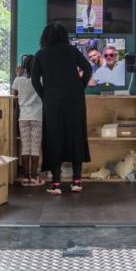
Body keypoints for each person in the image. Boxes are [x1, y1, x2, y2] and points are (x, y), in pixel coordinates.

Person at [31, 22, 92, 195]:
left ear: (45, 36)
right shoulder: (72, 51)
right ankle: (77, 181)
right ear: (64, 36)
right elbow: (87, 68)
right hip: (75, 99)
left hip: (53, 101)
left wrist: (45, 96)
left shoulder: (41, 54)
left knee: (54, 137)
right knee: (76, 135)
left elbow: (35, 80)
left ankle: (56, 183)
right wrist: (81, 86)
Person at [12, 55, 45, 187]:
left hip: (23, 117)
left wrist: (18, 74)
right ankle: (35, 177)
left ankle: (26, 178)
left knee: (25, 147)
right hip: (37, 117)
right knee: (35, 147)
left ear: (24, 67)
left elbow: (14, 94)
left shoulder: (18, 80)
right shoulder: (41, 80)